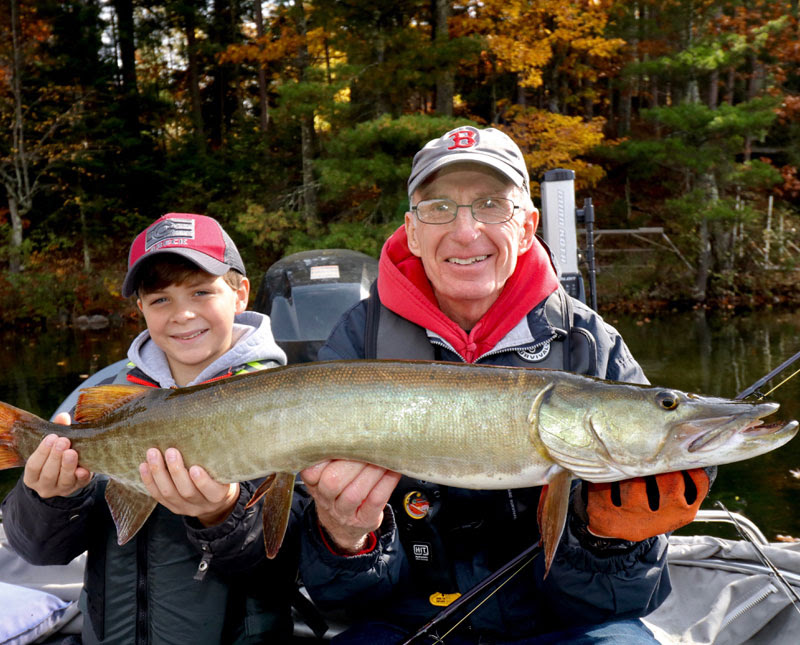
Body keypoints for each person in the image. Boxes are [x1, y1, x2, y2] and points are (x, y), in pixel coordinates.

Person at [297, 127, 711, 644]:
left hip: (562, 624)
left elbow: (619, 601)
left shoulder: (589, 345)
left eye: (492, 205)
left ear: (527, 226)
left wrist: (610, 540)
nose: (466, 231)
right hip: (406, 623)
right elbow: (339, 599)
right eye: (439, 208)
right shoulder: (360, 341)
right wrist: (345, 535)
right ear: (412, 231)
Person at [1, 213, 298, 643]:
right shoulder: (108, 394)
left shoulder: (290, 399)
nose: (183, 314)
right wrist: (49, 498)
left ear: (240, 294)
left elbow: (286, 566)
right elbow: (39, 551)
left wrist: (222, 516)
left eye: (201, 291)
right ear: (140, 308)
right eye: (160, 299)